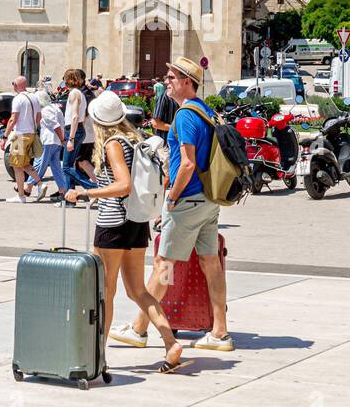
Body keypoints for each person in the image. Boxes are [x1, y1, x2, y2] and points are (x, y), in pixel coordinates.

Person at [112, 56, 233, 352]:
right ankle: (219, 332)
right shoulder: (205, 111)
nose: (166, 81)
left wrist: (173, 196)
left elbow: (188, 163)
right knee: (209, 262)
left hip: (187, 200)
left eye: (172, 77)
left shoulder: (186, 116)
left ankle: (140, 328)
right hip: (208, 199)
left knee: (163, 265)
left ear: (186, 82)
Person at [65, 90, 183, 373]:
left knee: (104, 293)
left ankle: (98, 354)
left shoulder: (113, 145)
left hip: (112, 224)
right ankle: (170, 342)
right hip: (136, 223)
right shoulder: (135, 139)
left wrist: (86, 193)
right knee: (138, 291)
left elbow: (123, 184)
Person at [4, 75, 44, 203]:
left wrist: (5, 136)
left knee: (16, 166)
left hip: (20, 135)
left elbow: (13, 119)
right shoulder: (34, 97)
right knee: (25, 163)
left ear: (16, 85)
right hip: (31, 133)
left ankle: (21, 196)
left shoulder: (18, 99)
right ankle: (40, 183)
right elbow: (38, 118)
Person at [61, 69, 93, 190]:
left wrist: (71, 139)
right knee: (70, 165)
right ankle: (70, 198)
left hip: (73, 130)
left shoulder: (74, 93)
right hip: (79, 129)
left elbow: (75, 116)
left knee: (66, 167)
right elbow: (83, 116)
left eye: (65, 78)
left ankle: (94, 188)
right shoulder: (80, 93)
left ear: (69, 80)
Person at [35, 90, 69, 203]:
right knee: (56, 168)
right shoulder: (55, 108)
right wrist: (62, 139)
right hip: (56, 142)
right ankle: (63, 190)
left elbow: (56, 126)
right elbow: (61, 124)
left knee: (41, 166)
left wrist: (62, 139)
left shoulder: (45, 110)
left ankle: (28, 187)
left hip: (49, 141)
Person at [150, 74, 178, 143]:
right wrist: (177, 130)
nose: (166, 82)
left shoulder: (178, 98)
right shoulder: (164, 98)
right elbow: (155, 123)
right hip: (166, 144)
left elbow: (154, 92)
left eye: (171, 78)